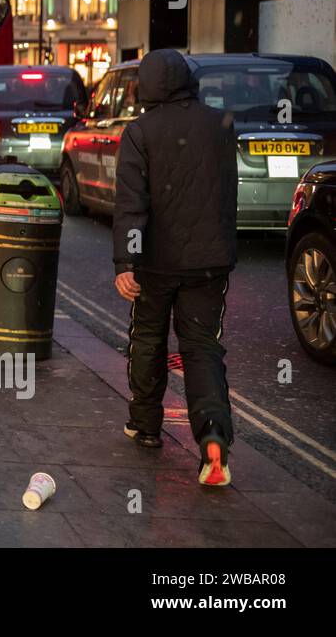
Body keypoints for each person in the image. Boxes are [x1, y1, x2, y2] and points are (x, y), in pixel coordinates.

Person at [113, 49, 237, 487]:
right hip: (209, 260)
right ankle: (214, 440)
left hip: (156, 264)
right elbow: (223, 193)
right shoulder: (219, 125)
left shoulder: (140, 131)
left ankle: (146, 426)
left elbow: (132, 205)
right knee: (202, 348)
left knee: (148, 337)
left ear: (147, 86)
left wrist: (128, 260)